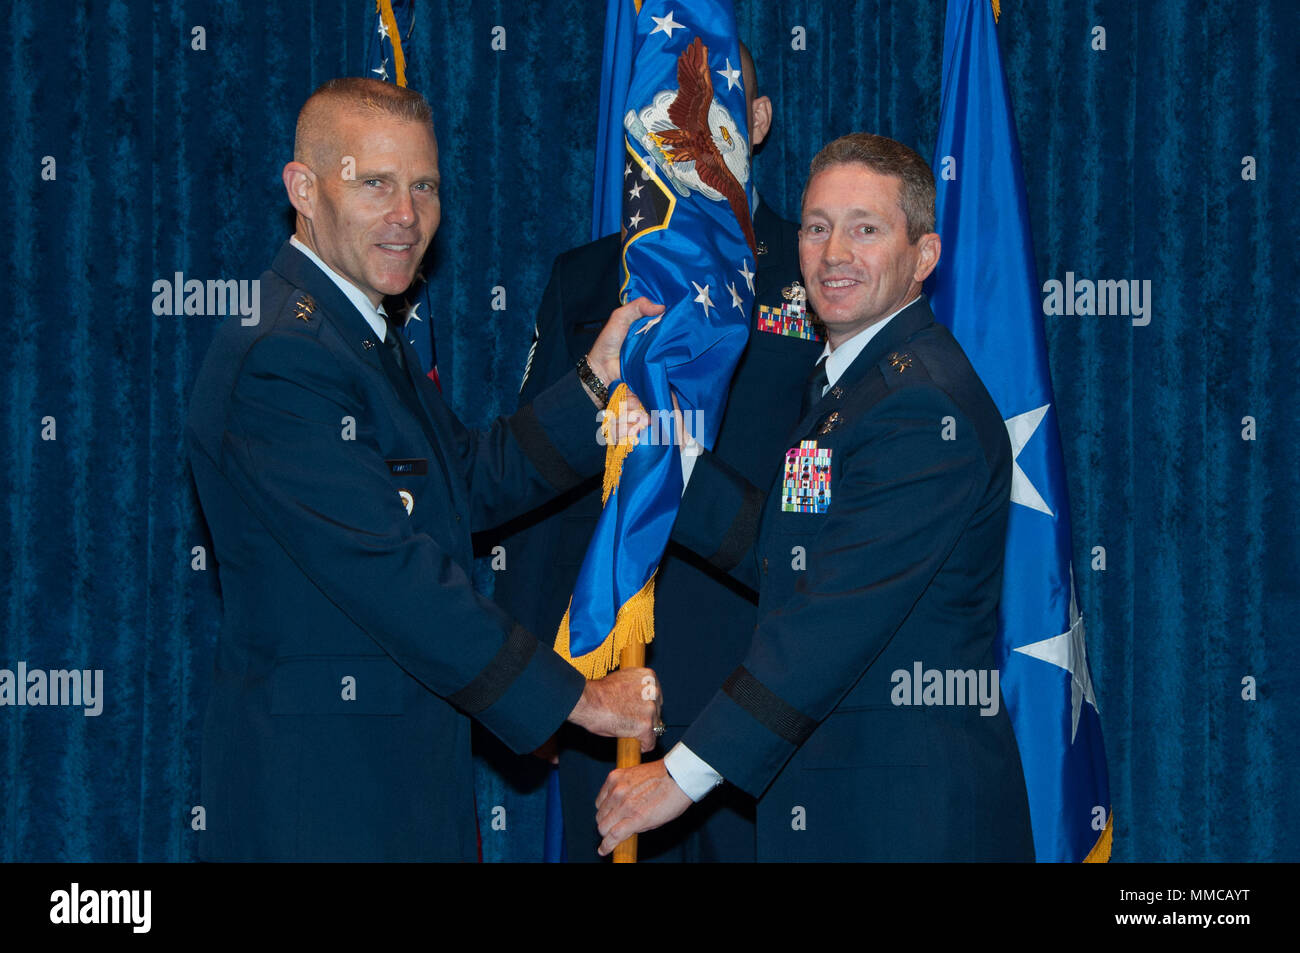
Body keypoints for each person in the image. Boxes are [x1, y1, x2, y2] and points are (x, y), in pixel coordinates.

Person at [186, 77, 662, 861]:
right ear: (304, 189)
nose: (406, 215)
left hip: (396, 788)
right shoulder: (282, 355)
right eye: (374, 183)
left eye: (424, 186)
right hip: (325, 807)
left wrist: (592, 383)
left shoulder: (358, 332)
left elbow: (463, 479)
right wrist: (576, 699)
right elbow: (392, 575)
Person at [594, 133, 1036, 861]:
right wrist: (670, 459)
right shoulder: (849, 383)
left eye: (866, 229)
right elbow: (791, 552)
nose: (835, 254)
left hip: (908, 821)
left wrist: (679, 773)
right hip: (844, 805)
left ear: (924, 257)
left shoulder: (922, 403)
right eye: (818, 227)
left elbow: (834, 614)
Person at [485, 46, 823, 862]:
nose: (688, 123)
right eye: (669, 103)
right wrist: (535, 690)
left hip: (759, 684)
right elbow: (533, 499)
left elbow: (829, 481)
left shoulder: (817, 274)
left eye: (716, 102)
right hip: (608, 680)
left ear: (761, 120)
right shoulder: (588, 276)